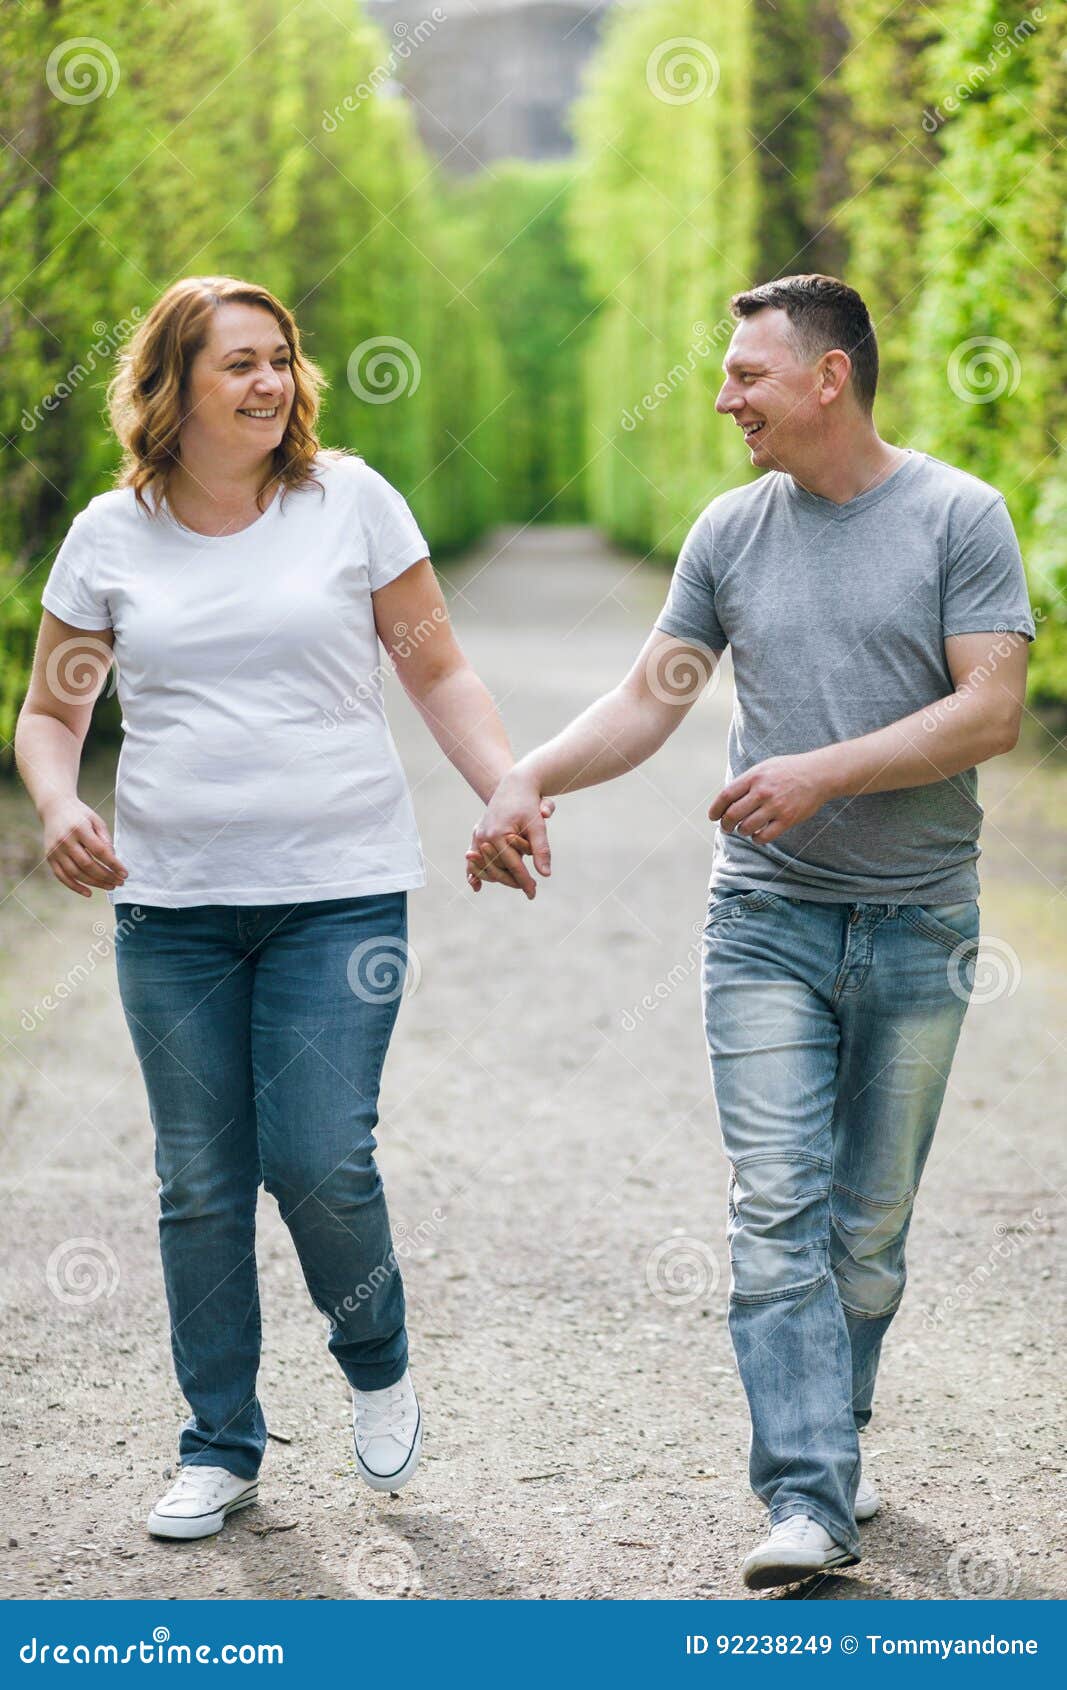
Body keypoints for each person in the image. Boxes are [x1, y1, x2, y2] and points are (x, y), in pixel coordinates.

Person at [466, 275, 1035, 1589]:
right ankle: (803, 1497)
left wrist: (821, 769)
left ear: (827, 376)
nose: (721, 398)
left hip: (914, 920)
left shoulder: (959, 515)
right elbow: (648, 697)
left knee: (868, 1226)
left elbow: (986, 710)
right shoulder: (727, 532)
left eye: (745, 376)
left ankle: (834, 1428)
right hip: (762, 919)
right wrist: (524, 778)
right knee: (775, 1202)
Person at [15, 274, 547, 1542]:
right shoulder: (107, 536)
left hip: (336, 892)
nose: (266, 383)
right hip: (174, 906)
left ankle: (375, 1356)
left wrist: (504, 784)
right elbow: (52, 712)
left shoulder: (347, 503)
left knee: (317, 1156)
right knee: (198, 1180)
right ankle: (217, 1443)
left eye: (277, 359)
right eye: (234, 363)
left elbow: (438, 668)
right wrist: (53, 805)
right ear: (170, 388)